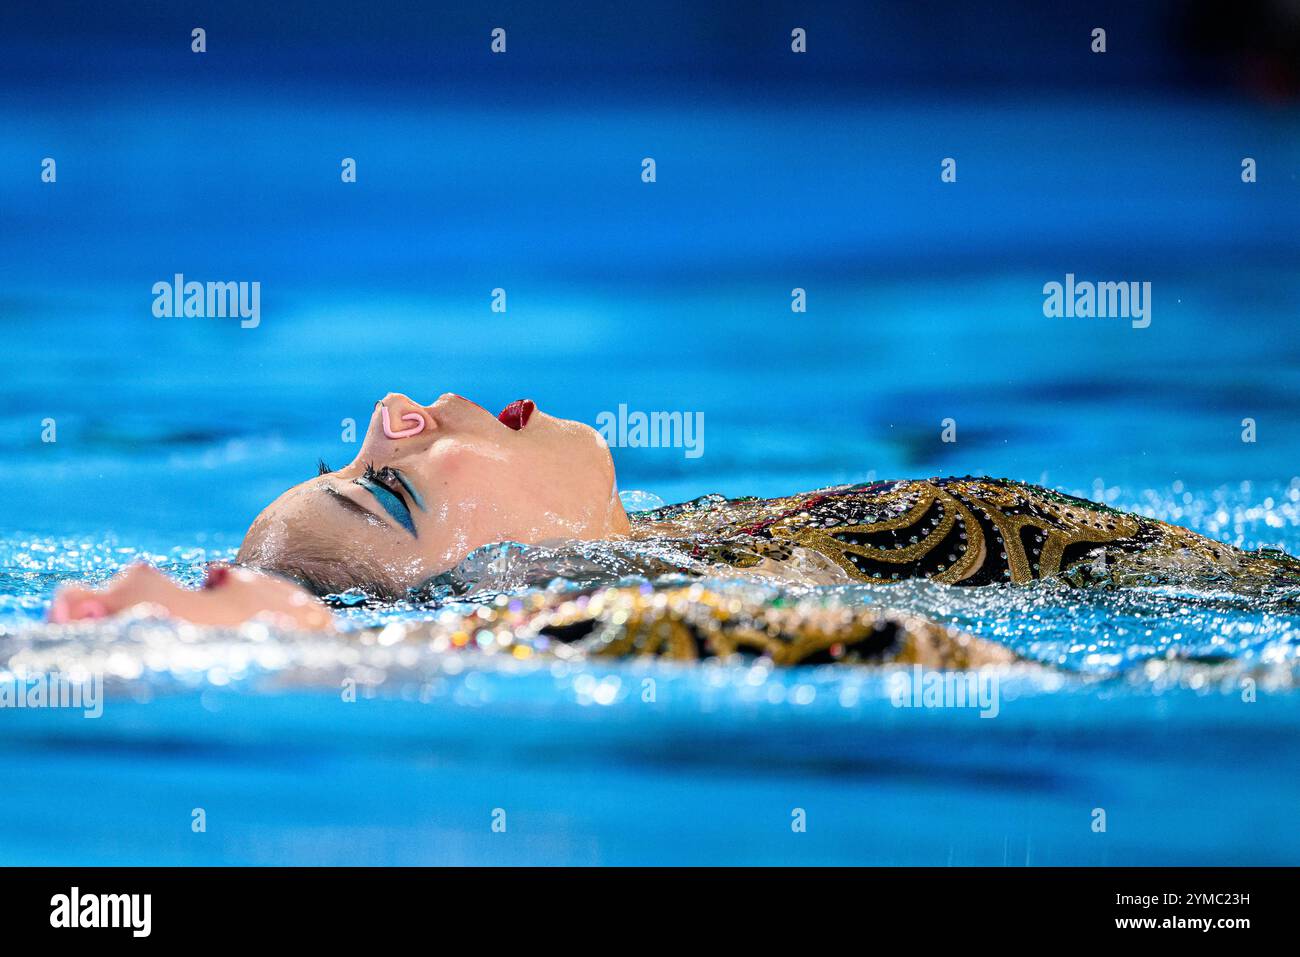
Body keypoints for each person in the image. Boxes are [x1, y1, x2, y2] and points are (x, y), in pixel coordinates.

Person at [47, 393, 1300, 666]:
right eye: (389, 486)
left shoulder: (713, 539)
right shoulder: (645, 602)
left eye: (356, 454)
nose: (393, 416)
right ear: (504, 575)